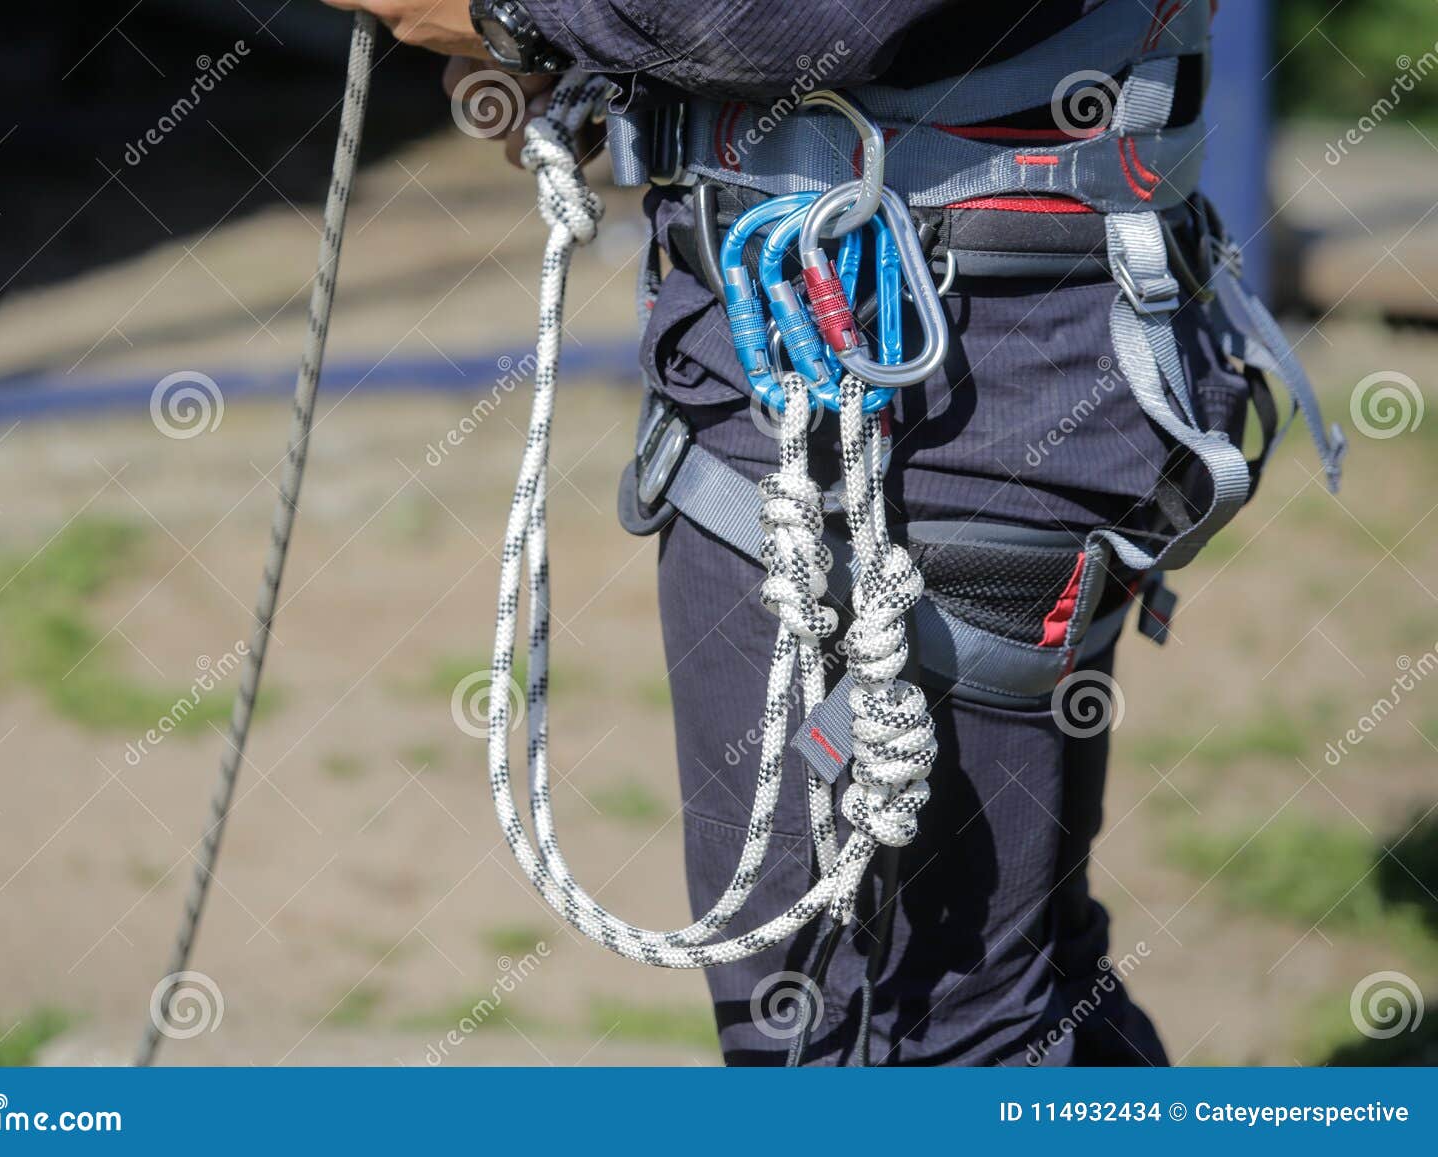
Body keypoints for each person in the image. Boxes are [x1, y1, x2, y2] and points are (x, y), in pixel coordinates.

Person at [323, 0, 1325, 1066]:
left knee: (877, 1025)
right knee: (997, 991)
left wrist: (511, 15)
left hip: (946, 405)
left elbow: (782, 16)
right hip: (916, 371)